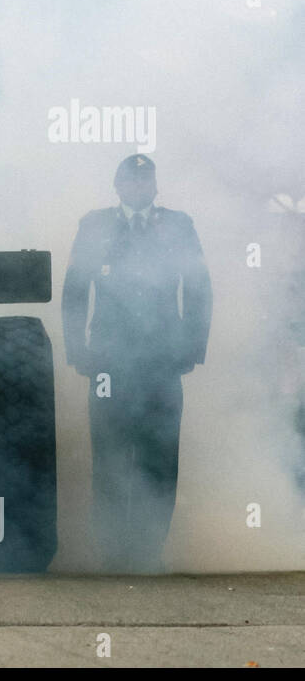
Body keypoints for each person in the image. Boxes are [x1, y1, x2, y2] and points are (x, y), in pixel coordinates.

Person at [62, 153, 212, 572]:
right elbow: (75, 290)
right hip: (109, 361)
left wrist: (193, 349)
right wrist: (78, 351)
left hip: (162, 360)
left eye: (147, 182)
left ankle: (148, 551)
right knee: (109, 454)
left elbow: (199, 287)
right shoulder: (95, 226)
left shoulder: (178, 225)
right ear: (118, 186)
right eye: (131, 181)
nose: (140, 188)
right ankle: (112, 551)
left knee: (161, 456)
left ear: (156, 187)